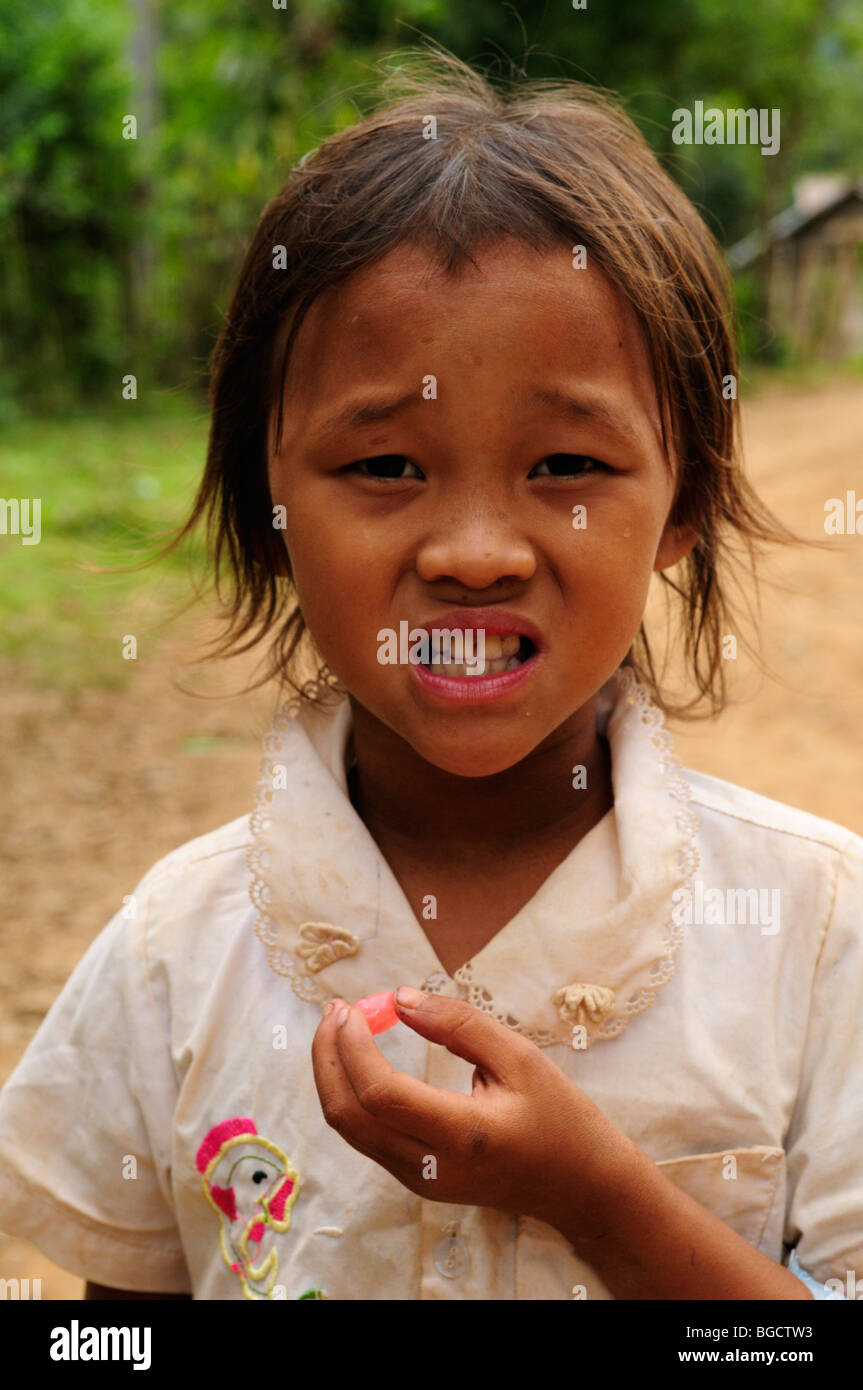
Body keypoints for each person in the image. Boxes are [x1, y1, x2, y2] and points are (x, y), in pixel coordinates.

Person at [0, 50, 859, 1301]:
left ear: (680, 507)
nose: (471, 554)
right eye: (387, 469)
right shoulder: (171, 954)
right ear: (270, 503)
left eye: (565, 464)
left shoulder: (817, 929)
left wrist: (597, 1197)